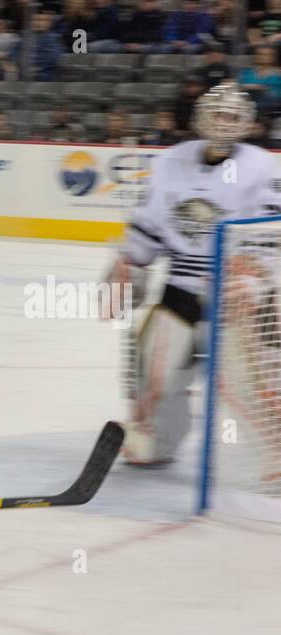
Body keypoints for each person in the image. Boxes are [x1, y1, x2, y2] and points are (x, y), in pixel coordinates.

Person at [105, 82, 281, 465]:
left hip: (238, 291)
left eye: (233, 116)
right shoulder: (170, 162)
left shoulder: (264, 167)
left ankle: (275, 453)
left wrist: (258, 276)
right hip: (180, 288)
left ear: (247, 122)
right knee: (154, 367)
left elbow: (272, 229)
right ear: (201, 117)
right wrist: (131, 263)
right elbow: (150, 223)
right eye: (218, 114)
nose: (224, 123)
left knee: (253, 379)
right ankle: (155, 437)